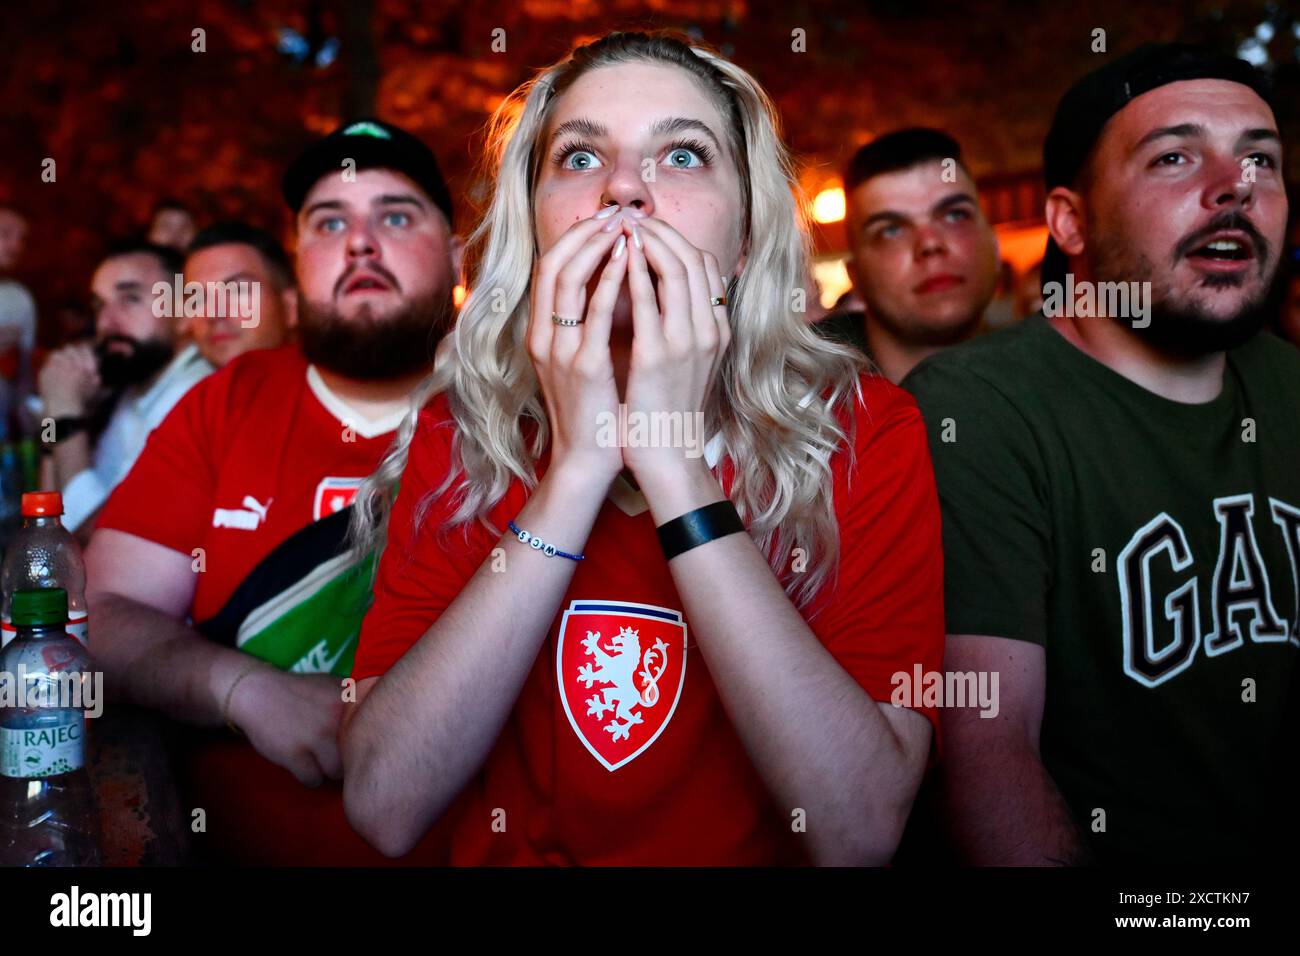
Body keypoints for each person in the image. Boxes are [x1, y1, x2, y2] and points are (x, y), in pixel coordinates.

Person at [341, 31, 944, 866]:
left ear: (743, 242)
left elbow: (859, 828)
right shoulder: (465, 431)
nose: (625, 189)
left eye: (684, 156)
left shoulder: (864, 429)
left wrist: (671, 462)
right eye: (581, 158)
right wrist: (580, 465)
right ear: (535, 225)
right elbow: (384, 801)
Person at [905, 44, 1300, 865]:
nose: (1237, 186)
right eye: (1175, 157)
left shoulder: (1293, 387)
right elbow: (988, 755)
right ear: (1070, 222)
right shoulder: (978, 410)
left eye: (1260, 157)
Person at [83, 118, 462, 865]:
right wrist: (240, 689)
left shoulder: (534, 415)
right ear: (299, 264)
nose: (360, 243)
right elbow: (98, 617)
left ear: (456, 254)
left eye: (394, 215)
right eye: (329, 222)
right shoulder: (229, 401)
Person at [38, 240, 213, 536]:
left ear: (185, 314)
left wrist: (67, 417)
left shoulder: (197, 394)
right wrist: (54, 421)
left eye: (130, 299)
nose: (106, 322)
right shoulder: (136, 382)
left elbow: (97, 537)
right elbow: (45, 525)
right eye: (99, 305)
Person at [817, 129, 999, 384]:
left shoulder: (1047, 375)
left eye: (955, 215)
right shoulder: (799, 401)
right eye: (890, 230)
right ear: (855, 276)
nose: (930, 243)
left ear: (995, 245)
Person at [184, 221, 299, 367]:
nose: (213, 314)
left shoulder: (328, 387)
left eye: (236, 291)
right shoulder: (197, 390)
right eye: (198, 299)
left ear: (291, 307)